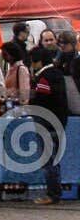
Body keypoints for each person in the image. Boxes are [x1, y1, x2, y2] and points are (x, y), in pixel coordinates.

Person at [29, 30, 72, 205]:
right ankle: (56, 191)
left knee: (48, 160)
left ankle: (52, 194)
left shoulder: (44, 78)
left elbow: (42, 101)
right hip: (59, 121)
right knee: (54, 158)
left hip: (46, 123)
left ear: (38, 62)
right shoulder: (57, 73)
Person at [1, 40, 32, 105]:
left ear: (13, 55)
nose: (3, 57)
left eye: (5, 54)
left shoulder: (21, 69)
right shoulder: (11, 69)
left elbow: (24, 93)